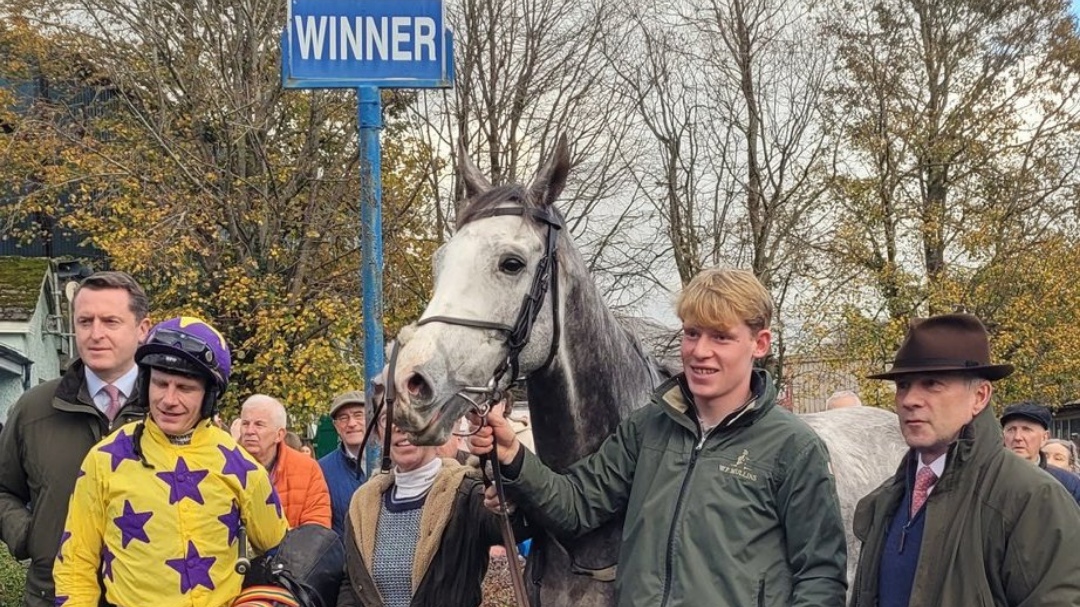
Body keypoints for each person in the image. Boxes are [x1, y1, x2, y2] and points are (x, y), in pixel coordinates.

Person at [470, 267, 847, 607]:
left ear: (760, 344)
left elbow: (819, 578)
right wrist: (513, 453)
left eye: (721, 337)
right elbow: (577, 505)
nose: (700, 351)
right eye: (692, 333)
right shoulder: (648, 426)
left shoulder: (793, 447)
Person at [53, 316, 288, 606]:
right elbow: (75, 564)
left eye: (185, 388)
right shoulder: (104, 458)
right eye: (160, 383)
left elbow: (283, 557)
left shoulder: (241, 465)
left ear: (209, 397)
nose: (168, 399)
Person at [848, 314, 1080, 607]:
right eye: (903, 385)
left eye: (932, 383)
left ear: (980, 397)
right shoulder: (887, 499)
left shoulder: (1032, 499)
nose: (909, 400)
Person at [0, 271, 150, 607]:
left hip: (147, 596)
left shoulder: (169, 410)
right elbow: (2, 488)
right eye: (85, 321)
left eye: (110, 321)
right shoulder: (34, 409)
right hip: (52, 594)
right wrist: (28, 534)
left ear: (142, 329)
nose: (96, 334)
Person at [337, 406, 523, 607]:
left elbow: (520, 525)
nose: (401, 426)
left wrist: (511, 467)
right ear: (378, 434)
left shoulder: (467, 494)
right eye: (388, 417)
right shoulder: (363, 504)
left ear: (438, 428)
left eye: (416, 413)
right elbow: (352, 583)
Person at [240, 394, 331, 528]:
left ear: (279, 435)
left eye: (259, 425)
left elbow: (316, 531)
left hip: (294, 548)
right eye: (245, 424)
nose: (249, 431)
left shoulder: (307, 469)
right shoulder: (223, 465)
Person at [1001, 402, 1080, 503]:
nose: (1017, 437)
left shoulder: (1067, 484)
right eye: (1011, 430)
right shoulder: (987, 478)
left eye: (1027, 429)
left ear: (1044, 437)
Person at [319, 389, 369, 537]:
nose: (352, 423)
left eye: (358, 415)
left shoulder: (396, 463)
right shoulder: (322, 470)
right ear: (336, 426)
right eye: (343, 418)